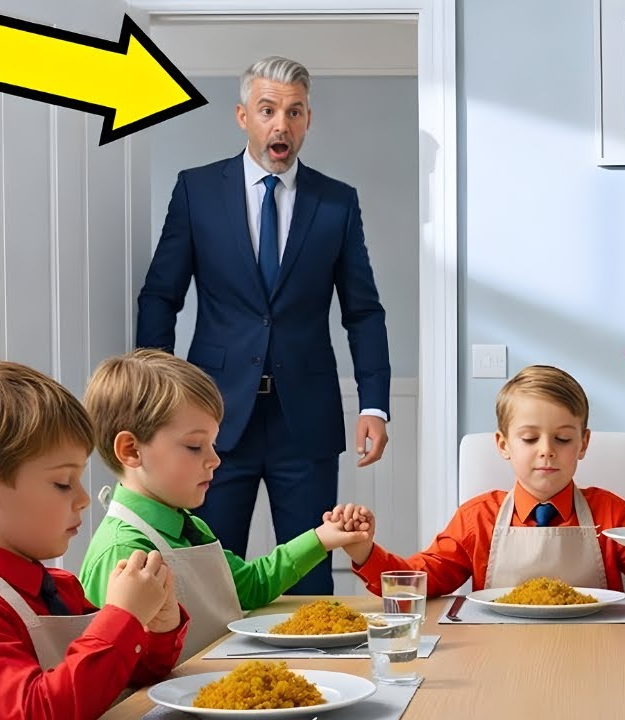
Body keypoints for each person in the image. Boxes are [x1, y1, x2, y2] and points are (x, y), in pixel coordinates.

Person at [136, 56, 392, 595]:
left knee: (310, 571)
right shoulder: (197, 191)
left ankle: (318, 678)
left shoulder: (336, 202)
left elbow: (363, 311)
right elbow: (161, 296)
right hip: (213, 421)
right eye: (269, 109)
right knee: (207, 573)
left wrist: (374, 404)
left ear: (307, 121)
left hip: (306, 422)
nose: (282, 124)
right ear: (242, 116)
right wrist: (154, 391)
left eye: (294, 112)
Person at [78, 349, 373, 657]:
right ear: (131, 450)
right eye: (195, 446)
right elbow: (112, 670)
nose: (215, 459)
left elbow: (251, 586)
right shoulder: (122, 552)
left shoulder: (193, 527)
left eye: (213, 444)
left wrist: (321, 538)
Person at [0, 360, 187, 719]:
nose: (82, 498)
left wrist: (158, 625)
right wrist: (123, 616)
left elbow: (123, 677)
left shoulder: (60, 588)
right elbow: (38, 712)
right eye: (63, 483)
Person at [339, 365, 625, 597]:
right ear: (503, 444)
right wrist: (365, 552)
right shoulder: (477, 518)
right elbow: (420, 581)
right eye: (529, 438)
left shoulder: (611, 513)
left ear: (583, 443)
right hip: (498, 659)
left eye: (563, 439)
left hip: (598, 656)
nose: (547, 451)